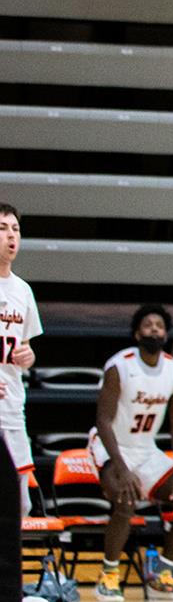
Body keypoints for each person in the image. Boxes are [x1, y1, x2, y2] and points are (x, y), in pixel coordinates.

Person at [89, 304, 173, 601]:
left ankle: (163, 573)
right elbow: (102, 421)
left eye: (159, 325)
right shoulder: (120, 365)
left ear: (166, 334)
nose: (154, 329)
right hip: (110, 444)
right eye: (148, 324)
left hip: (145, 449)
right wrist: (122, 468)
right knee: (126, 499)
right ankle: (109, 575)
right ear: (137, 332)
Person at [0, 204, 38, 509]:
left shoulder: (23, 291)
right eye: (2, 229)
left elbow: (24, 347)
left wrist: (28, 356)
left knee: (20, 503)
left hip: (12, 407)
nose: (11, 236)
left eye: (16, 229)